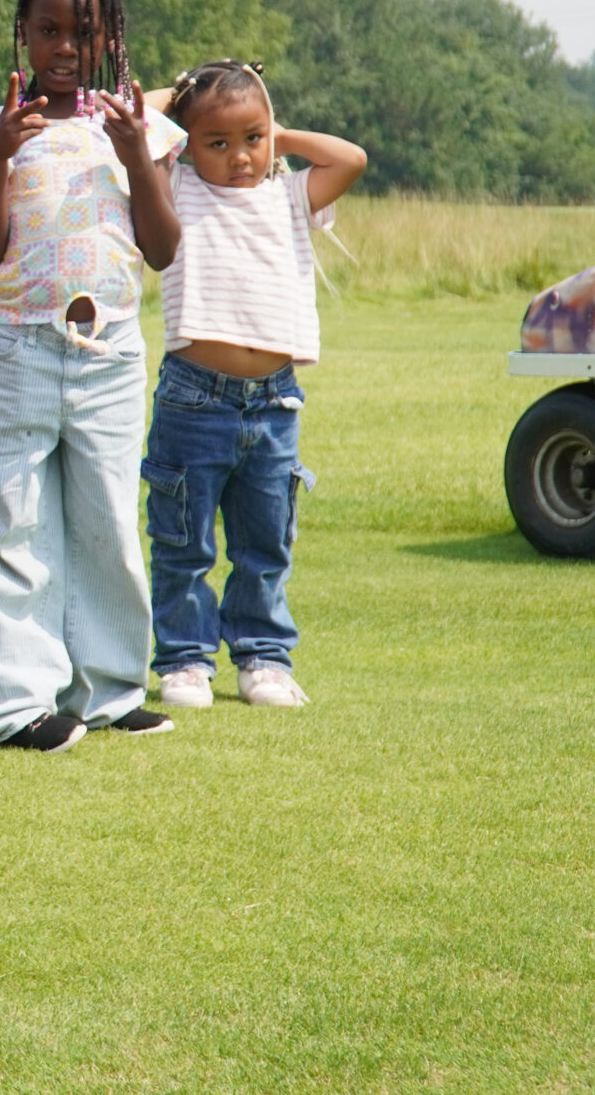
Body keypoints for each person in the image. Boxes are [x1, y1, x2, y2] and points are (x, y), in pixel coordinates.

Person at [0, 0, 184, 754]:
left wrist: (136, 159)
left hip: (109, 351)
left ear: (111, 37)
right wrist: (1, 160)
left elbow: (162, 247)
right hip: (20, 347)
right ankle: (12, 702)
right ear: (23, 32)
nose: (64, 48)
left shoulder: (142, 130)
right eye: (47, 30)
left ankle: (110, 690)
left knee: (109, 521)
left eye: (84, 32)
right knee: (11, 521)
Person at [146, 61, 366, 711]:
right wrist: (185, 92)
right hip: (193, 394)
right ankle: (185, 660)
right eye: (218, 142)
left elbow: (350, 158)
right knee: (183, 538)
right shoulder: (178, 188)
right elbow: (133, 120)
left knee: (265, 541)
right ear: (187, 145)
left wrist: (283, 134)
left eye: (253, 138)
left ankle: (263, 658)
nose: (239, 156)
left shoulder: (288, 196)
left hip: (274, 400)